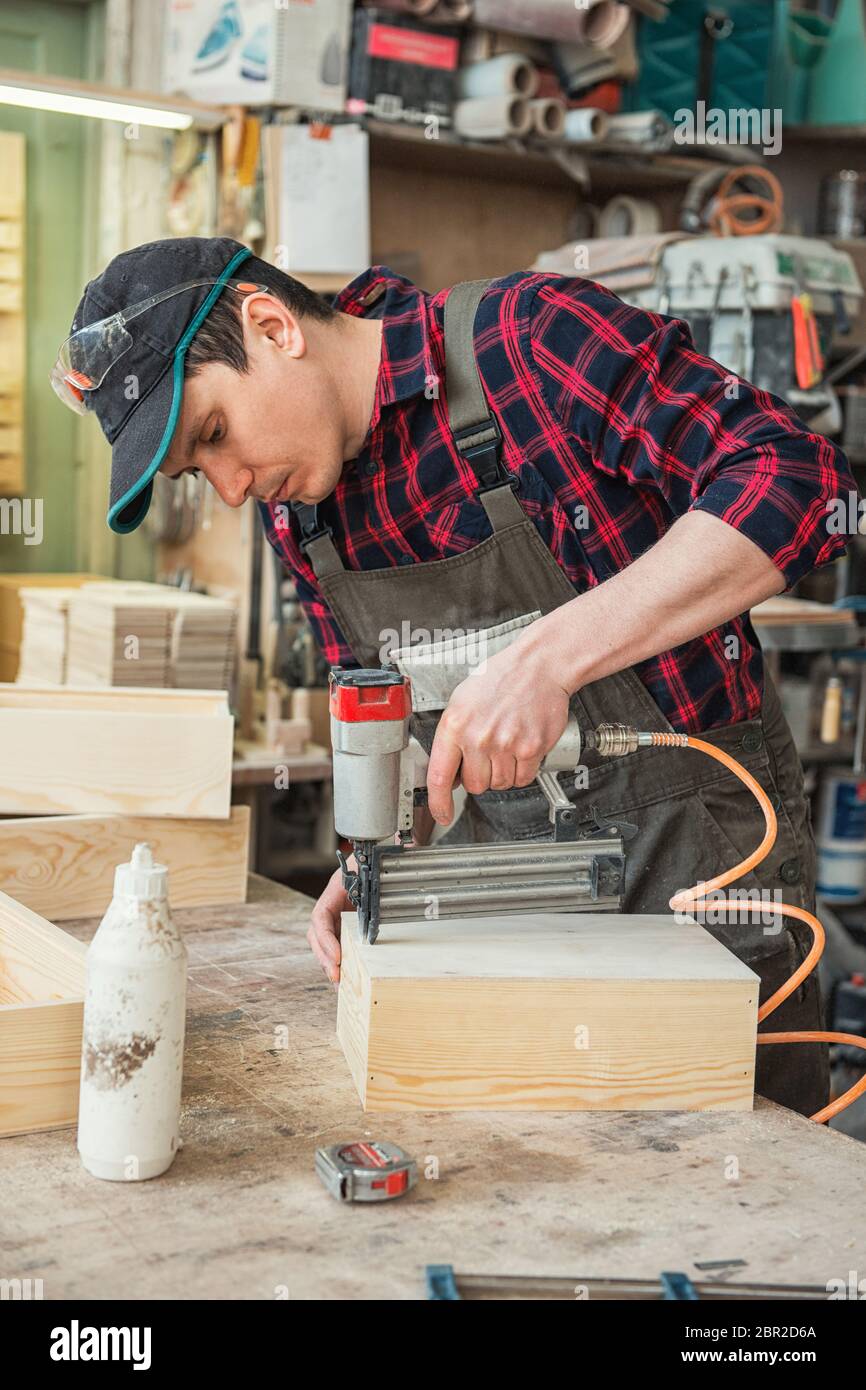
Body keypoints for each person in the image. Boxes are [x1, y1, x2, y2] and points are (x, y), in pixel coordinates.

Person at [54, 235, 858, 1115]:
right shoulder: (301, 515)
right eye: (198, 473)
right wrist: (376, 849)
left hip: (699, 864)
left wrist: (549, 660)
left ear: (274, 324)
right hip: (514, 906)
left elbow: (799, 482)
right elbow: (380, 705)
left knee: (737, 1180)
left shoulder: (527, 342)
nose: (233, 487)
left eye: (214, 433)